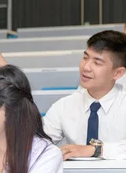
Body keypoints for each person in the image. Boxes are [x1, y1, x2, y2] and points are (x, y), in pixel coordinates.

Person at [44, 30, 126, 160]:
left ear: (117, 73)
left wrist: (95, 150)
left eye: (97, 62)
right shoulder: (64, 106)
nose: (86, 67)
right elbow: (38, 143)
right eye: (85, 57)